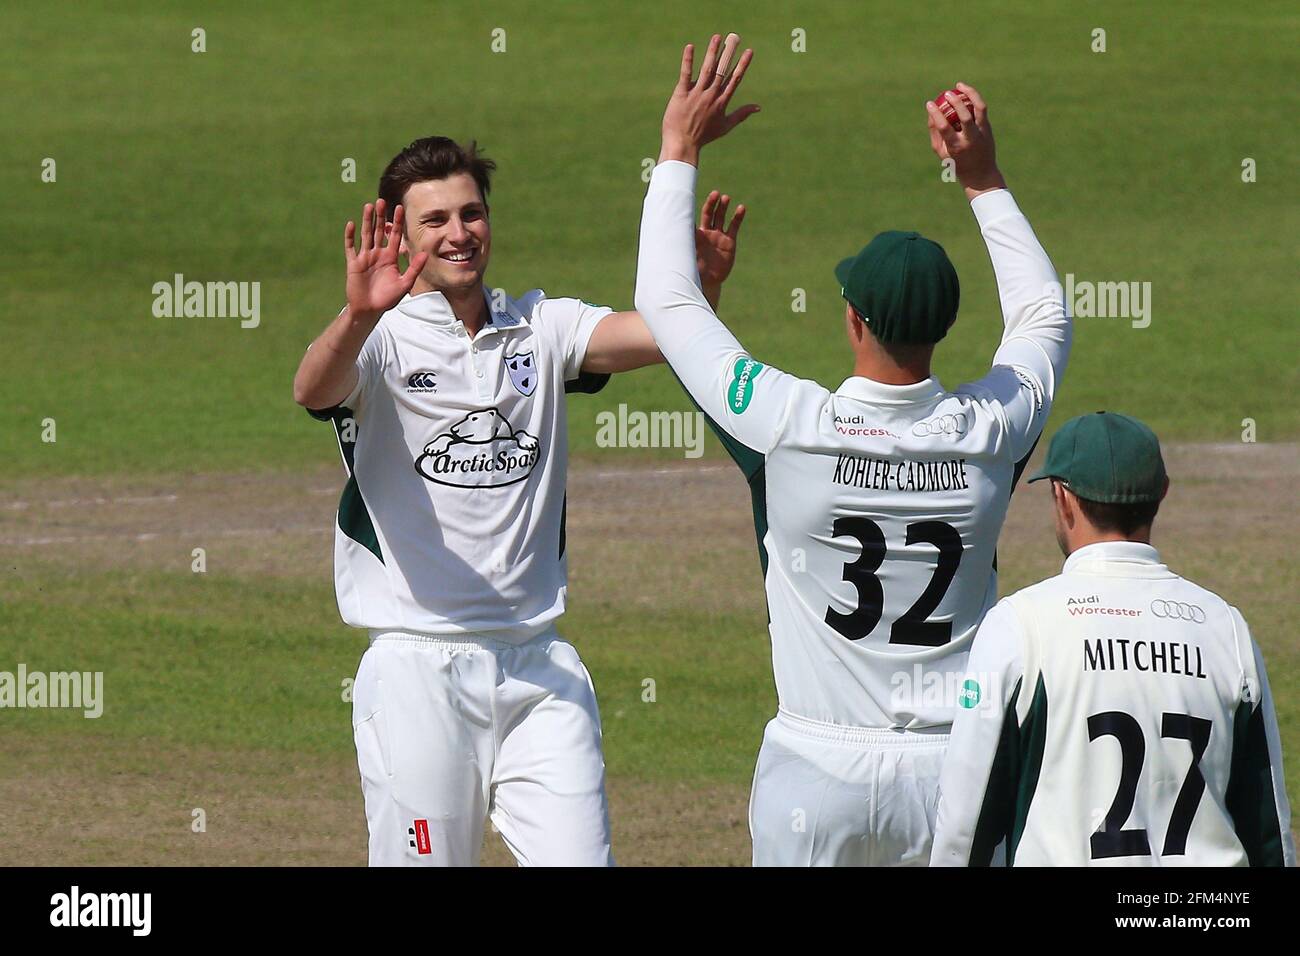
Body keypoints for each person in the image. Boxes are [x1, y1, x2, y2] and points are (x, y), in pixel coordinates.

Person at [633, 35, 1071, 865]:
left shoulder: (785, 423)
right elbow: (1043, 316)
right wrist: (981, 177)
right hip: (957, 771)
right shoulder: (993, 431)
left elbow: (662, 298)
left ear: (853, 320)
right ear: (944, 328)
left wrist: (678, 146)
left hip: (816, 768)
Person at [292, 136, 745, 866]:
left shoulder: (540, 327)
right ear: (398, 233)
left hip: (540, 667)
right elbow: (312, 390)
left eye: (470, 213)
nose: (458, 233)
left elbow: (659, 338)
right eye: (434, 220)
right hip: (418, 670)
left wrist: (702, 295)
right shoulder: (380, 342)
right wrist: (356, 316)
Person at [931, 412, 1294, 866]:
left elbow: (966, 826)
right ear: (1161, 494)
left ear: (1062, 498)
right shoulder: (1226, 628)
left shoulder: (1020, 625)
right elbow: (1268, 832)